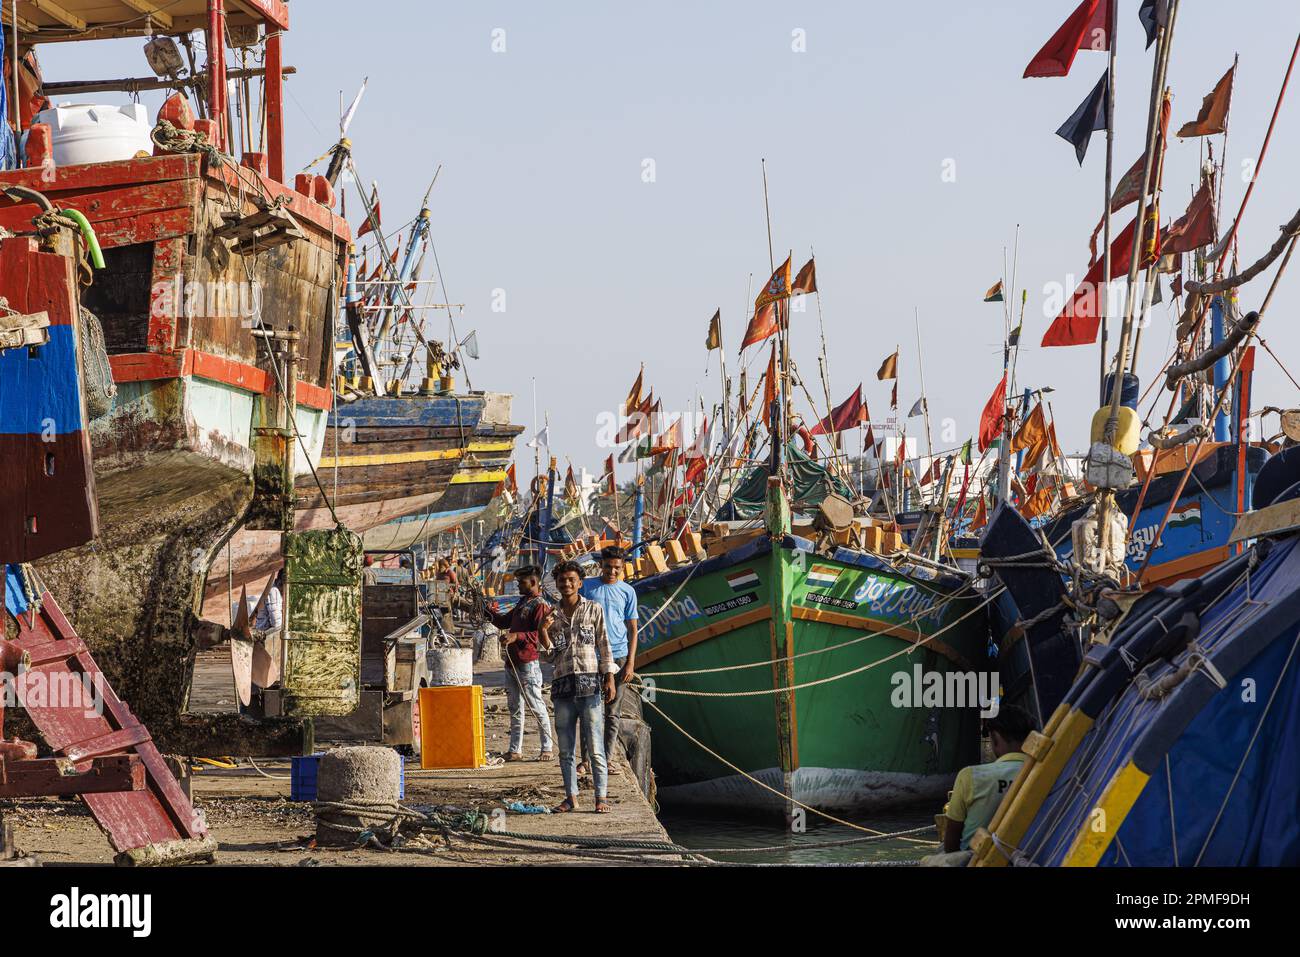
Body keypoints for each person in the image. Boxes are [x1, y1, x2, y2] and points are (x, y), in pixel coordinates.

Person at [540, 560, 617, 813]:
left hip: (590, 685)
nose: (566, 584)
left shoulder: (593, 609)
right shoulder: (551, 616)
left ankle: (601, 797)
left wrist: (609, 677)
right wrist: (543, 632)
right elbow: (550, 657)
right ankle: (571, 797)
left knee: (595, 746)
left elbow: (604, 645)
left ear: (580, 583)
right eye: (562, 580)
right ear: (557, 584)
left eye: (571, 579)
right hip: (563, 688)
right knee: (565, 749)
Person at [941, 704, 1034, 854]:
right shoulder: (1042, 773)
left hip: (976, 859)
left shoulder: (970, 776)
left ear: (995, 737)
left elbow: (951, 842)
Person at [578, 546, 638, 775]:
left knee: (613, 712)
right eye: (608, 566)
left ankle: (608, 758)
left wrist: (631, 662)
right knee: (589, 709)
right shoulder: (587, 587)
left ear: (622, 568)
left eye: (617, 568)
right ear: (600, 565)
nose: (612, 571)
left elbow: (632, 629)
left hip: (620, 655)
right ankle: (585, 760)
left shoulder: (628, 591)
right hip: (591, 656)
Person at [486, 565, 554, 762]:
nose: (517, 585)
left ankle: (547, 747)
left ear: (533, 582)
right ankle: (515, 750)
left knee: (536, 705)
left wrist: (516, 636)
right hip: (512, 662)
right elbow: (503, 622)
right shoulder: (524, 602)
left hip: (527, 663)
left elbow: (539, 636)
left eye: (521, 582)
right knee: (515, 707)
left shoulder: (540, 605)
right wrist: (487, 611)